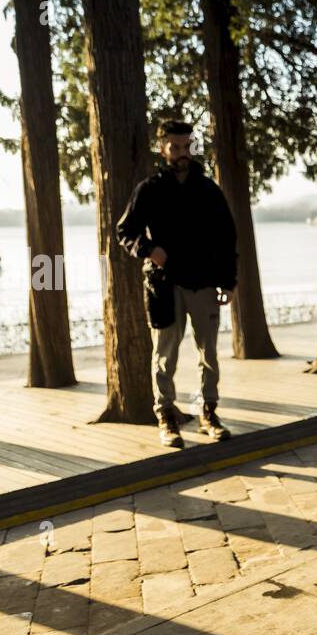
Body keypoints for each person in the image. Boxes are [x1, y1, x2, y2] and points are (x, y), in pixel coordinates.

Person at [116, 118, 236, 449]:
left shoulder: (208, 190)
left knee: (208, 353)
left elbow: (227, 239)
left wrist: (228, 282)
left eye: (186, 146)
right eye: (175, 146)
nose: (182, 152)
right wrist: (148, 249)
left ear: (191, 146)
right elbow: (124, 231)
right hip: (164, 286)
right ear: (163, 148)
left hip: (204, 285)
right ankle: (166, 418)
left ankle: (208, 414)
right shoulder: (150, 189)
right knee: (164, 356)